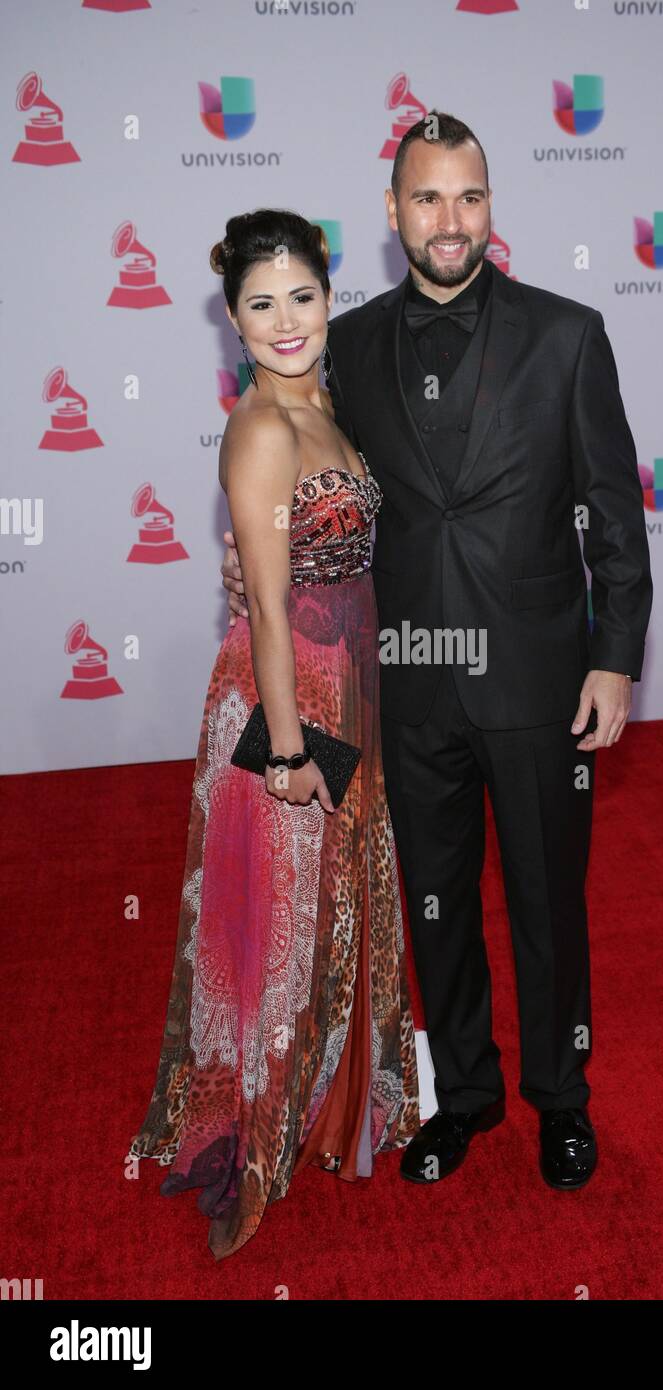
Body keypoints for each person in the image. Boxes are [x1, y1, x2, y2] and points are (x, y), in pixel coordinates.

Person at [221, 115, 653, 1191]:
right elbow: (302, 480)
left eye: (468, 197)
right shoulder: (348, 350)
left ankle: (562, 1097)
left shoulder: (568, 335)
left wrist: (614, 656)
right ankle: (464, 1097)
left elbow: (613, 509)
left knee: (550, 904)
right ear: (390, 212)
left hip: (541, 678)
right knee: (437, 902)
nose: (448, 221)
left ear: (490, 205)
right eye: (426, 198)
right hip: (405, 686)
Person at [127, 209, 419, 1261]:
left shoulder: (325, 408)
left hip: (351, 680)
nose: (286, 320)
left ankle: (328, 1100)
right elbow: (259, 595)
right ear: (232, 318)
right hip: (283, 693)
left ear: (328, 297)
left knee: (332, 895)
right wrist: (288, 749)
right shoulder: (260, 426)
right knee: (282, 908)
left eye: (302, 295)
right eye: (262, 303)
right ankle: (264, 1114)